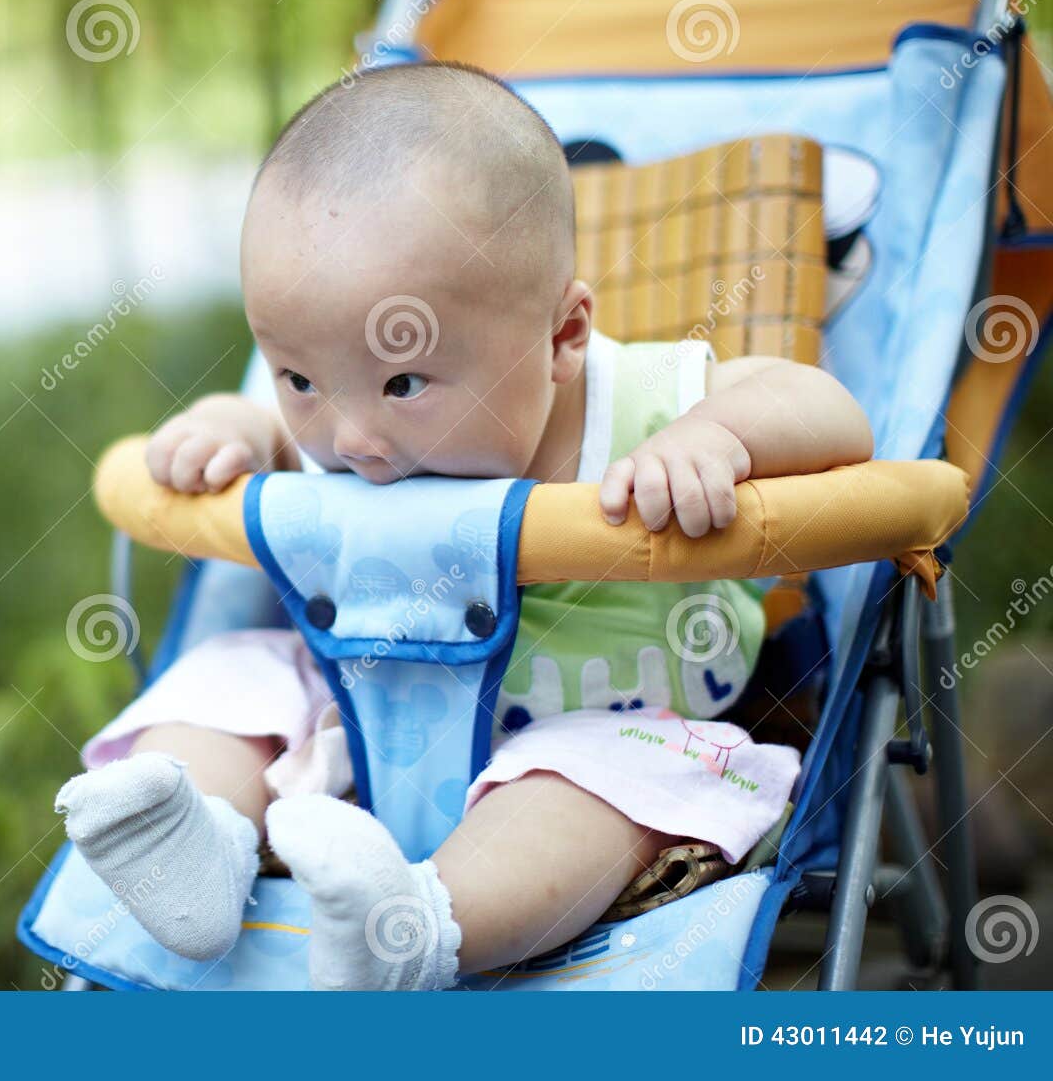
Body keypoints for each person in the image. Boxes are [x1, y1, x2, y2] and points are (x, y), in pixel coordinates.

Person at [55, 62, 873, 990]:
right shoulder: (339, 435)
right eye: (298, 378)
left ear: (564, 338)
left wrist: (717, 437)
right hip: (360, 722)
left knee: (609, 783)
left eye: (405, 383)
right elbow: (285, 435)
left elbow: (833, 412)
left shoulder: (652, 405)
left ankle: (417, 930)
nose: (351, 439)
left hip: (596, 736)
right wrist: (239, 427)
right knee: (235, 675)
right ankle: (192, 845)